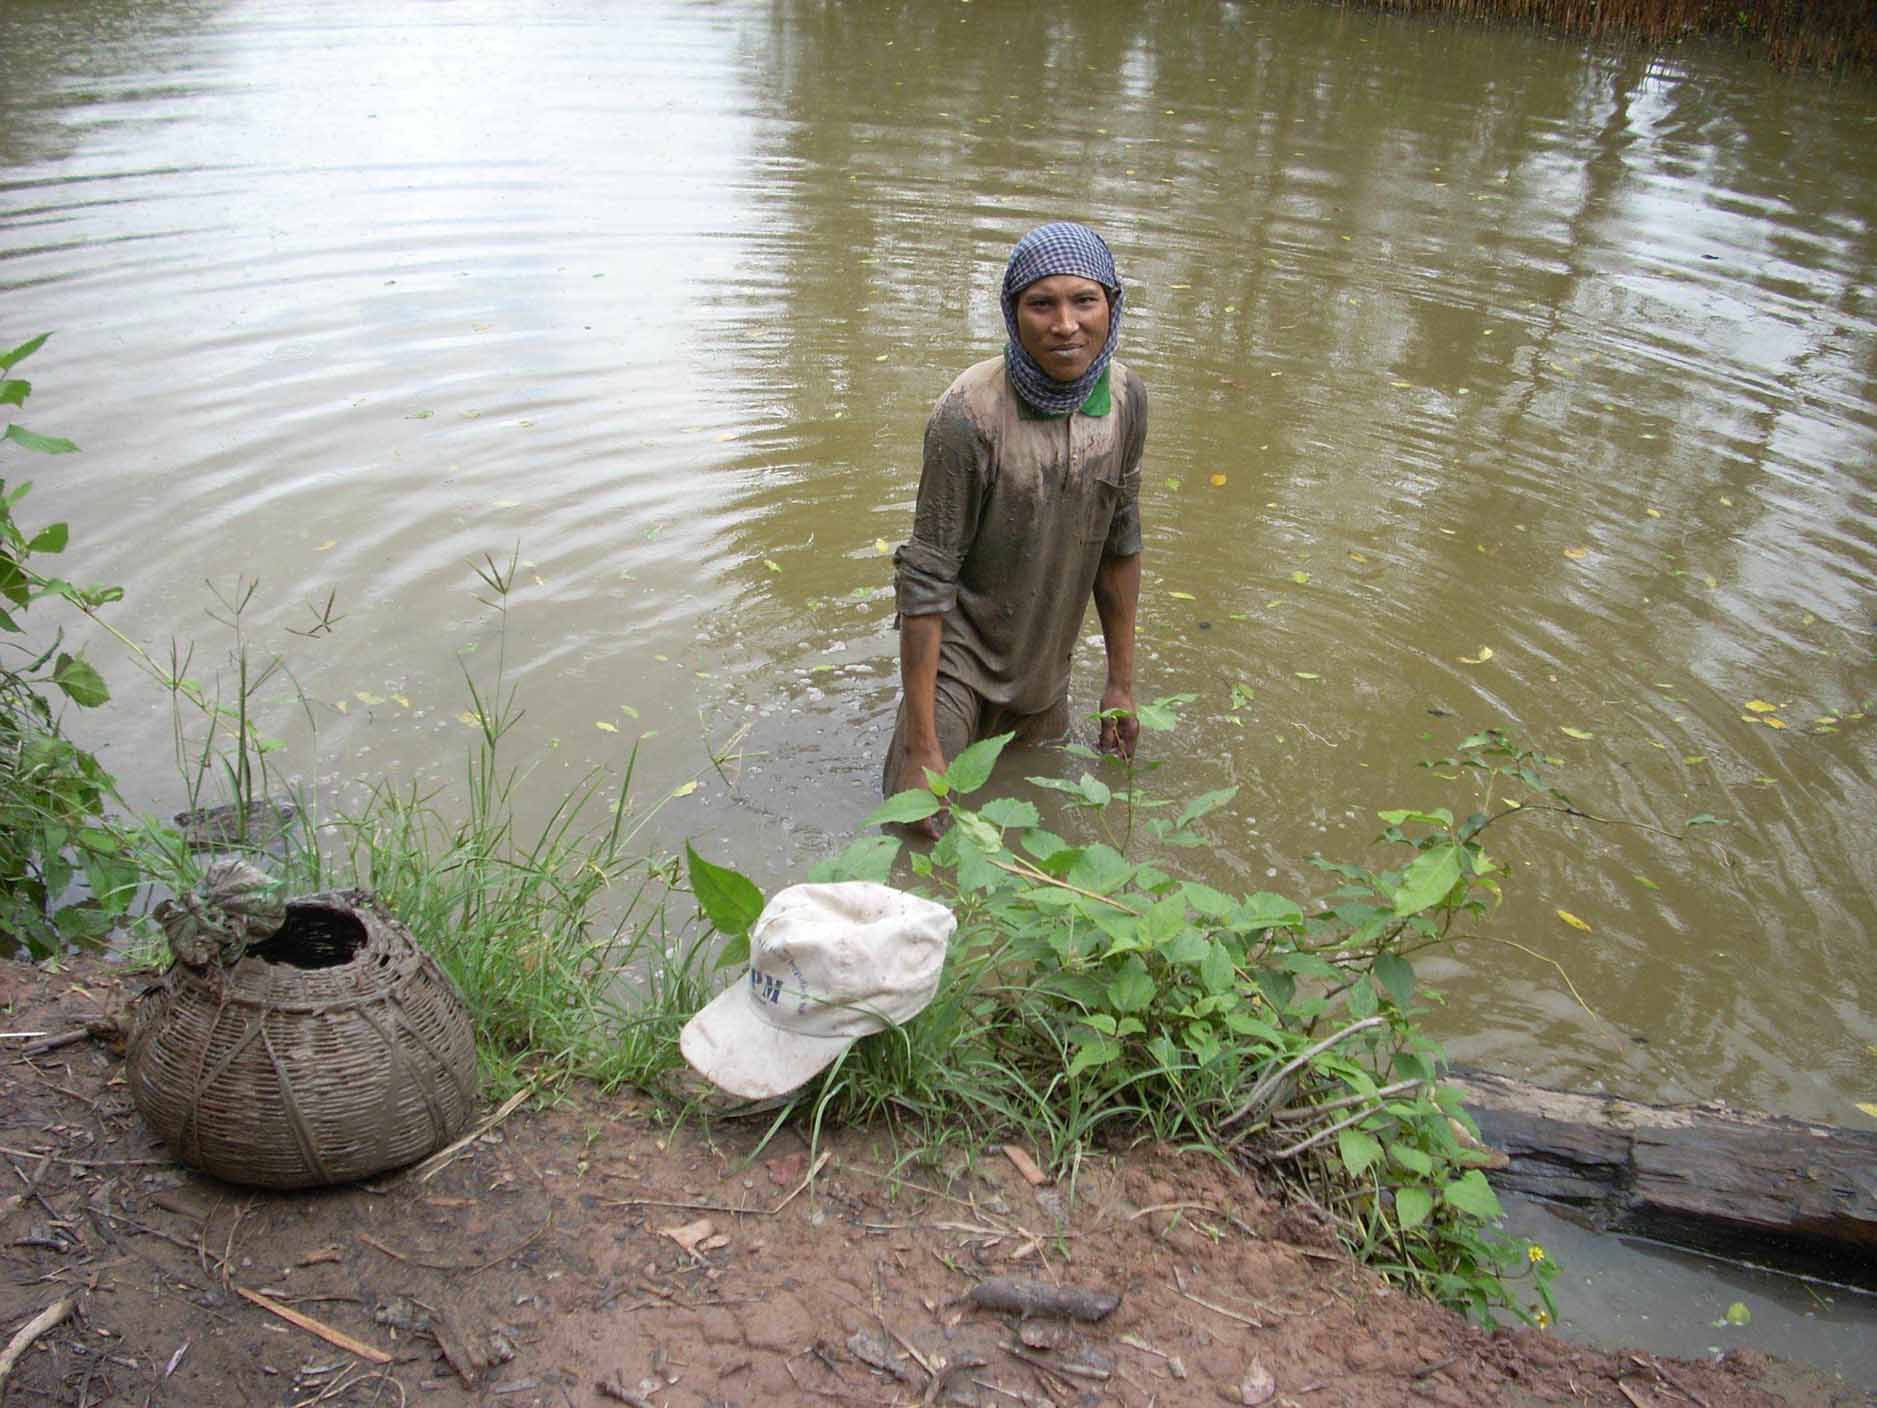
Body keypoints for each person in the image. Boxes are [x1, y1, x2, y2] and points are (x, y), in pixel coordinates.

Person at [883, 222, 1146, 833]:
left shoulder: (1127, 400)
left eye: (1084, 300)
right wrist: (923, 747)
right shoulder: (969, 413)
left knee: (1046, 828)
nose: (1064, 325)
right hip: (959, 669)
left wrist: (1120, 685)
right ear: (1012, 312)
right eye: (1041, 304)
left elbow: (1120, 545)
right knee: (917, 834)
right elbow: (924, 582)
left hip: (1043, 677)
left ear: (1111, 305)